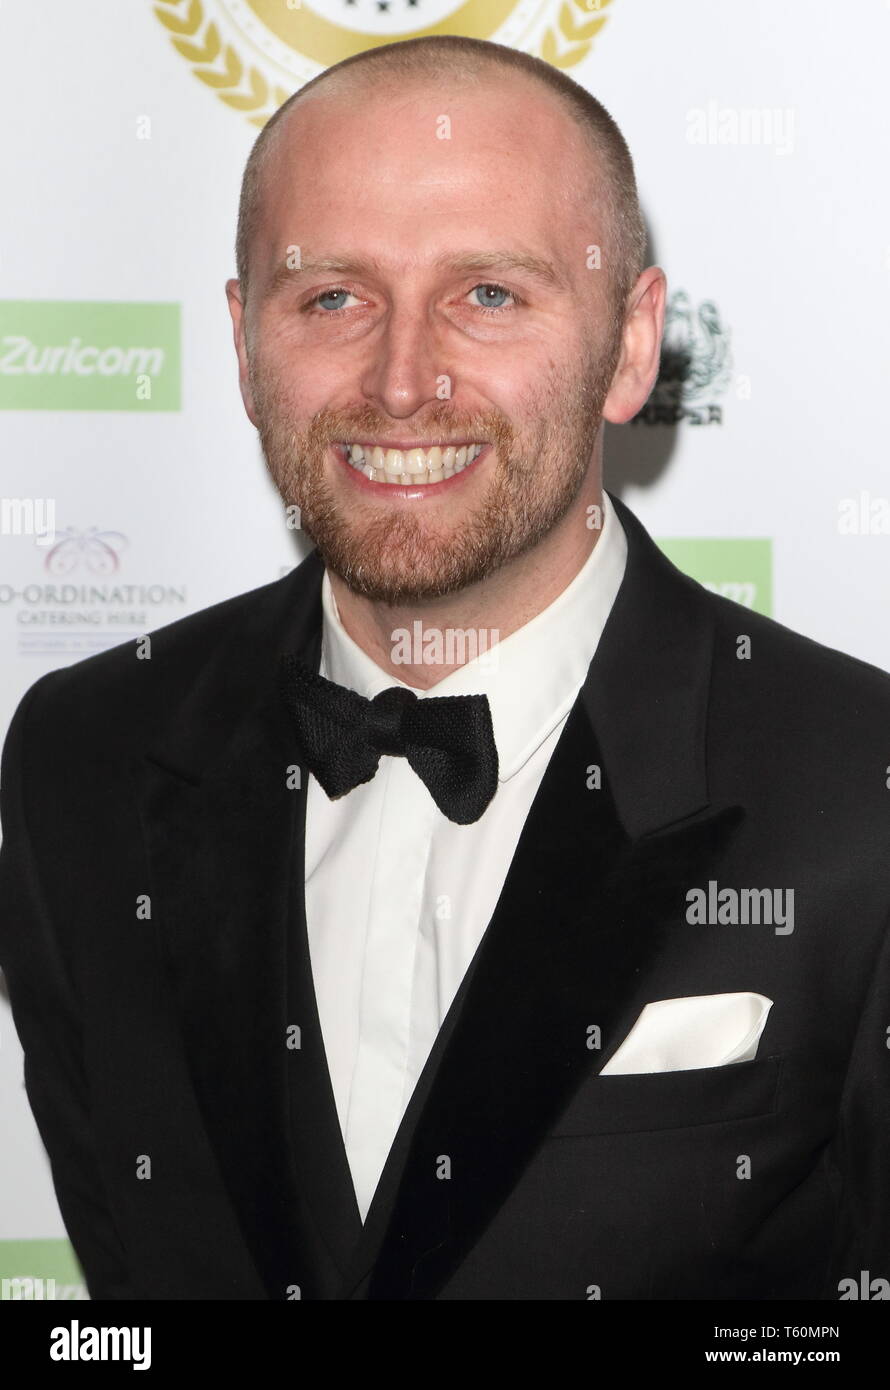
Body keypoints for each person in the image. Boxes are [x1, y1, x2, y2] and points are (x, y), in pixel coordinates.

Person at [1, 34, 889, 1302]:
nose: (403, 382)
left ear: (632, 344)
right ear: (245, 345)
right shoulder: (79, 756)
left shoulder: (859, 787)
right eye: (331, 297)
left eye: (488, 295)